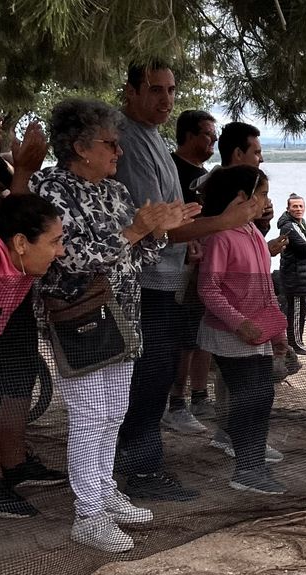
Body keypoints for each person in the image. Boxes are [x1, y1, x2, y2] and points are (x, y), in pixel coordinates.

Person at [33, 98, 194, 551]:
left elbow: (137, 257)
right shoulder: (51, 188)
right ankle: (87, 515)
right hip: (79, 316)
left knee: (114, 412)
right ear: (81, 146)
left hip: (124, 313)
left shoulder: (115, 192)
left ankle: (104, 491)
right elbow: (74, 259)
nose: (118, 154)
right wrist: (137, 231)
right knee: (89, 416)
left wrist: (156, 232)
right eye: (110, 144)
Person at [112, 62, 261, 503]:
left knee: (155, 376)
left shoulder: (151, 137)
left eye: (172, 90)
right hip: (145, 282)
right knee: (148, 376)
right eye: (155, 89)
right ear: (131, 91)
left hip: (164, 275)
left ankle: (138, 463)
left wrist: (190, 238)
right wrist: (221, 222)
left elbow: (174, 220)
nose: (166, 99)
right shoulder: (133, 141)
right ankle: (138, 469)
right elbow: (155, 224)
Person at [196, 166, 289, 494]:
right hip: (229, 335)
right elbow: (208, 289)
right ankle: (247, 468)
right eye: (261, 193)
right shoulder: (221, 236)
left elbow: (266, 289)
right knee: (250, 397)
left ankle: (252, 464)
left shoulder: (252, 233)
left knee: (263, 396)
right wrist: (239, 322)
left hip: (257, 333)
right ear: (240, 197)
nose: (266, 201)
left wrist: (278, 330)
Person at [0, 193, 66, 518]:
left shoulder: (22, 268)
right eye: (55, 242)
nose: (61, 251)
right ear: (22, 242)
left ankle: (10, 474)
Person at [163, 109, 218, 436]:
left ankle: (199, 395)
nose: (213, 141)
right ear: (189, 135)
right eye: (208, 135)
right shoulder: (170, 170)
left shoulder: (209, 175)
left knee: (201, 335)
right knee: (182, 339)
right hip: (176, 268)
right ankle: (175, 403)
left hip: (204, 269)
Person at [277, 193, 306, 355]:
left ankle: (296, 342)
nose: (298, 209)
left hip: (302, 275)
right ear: (288, 209)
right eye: (295, 206)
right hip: (294, 277)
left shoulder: (301, 224)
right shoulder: (289, 226)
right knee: (296, 311)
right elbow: (305, 246)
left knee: (300, 310)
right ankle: (296, 344)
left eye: (300, 206)